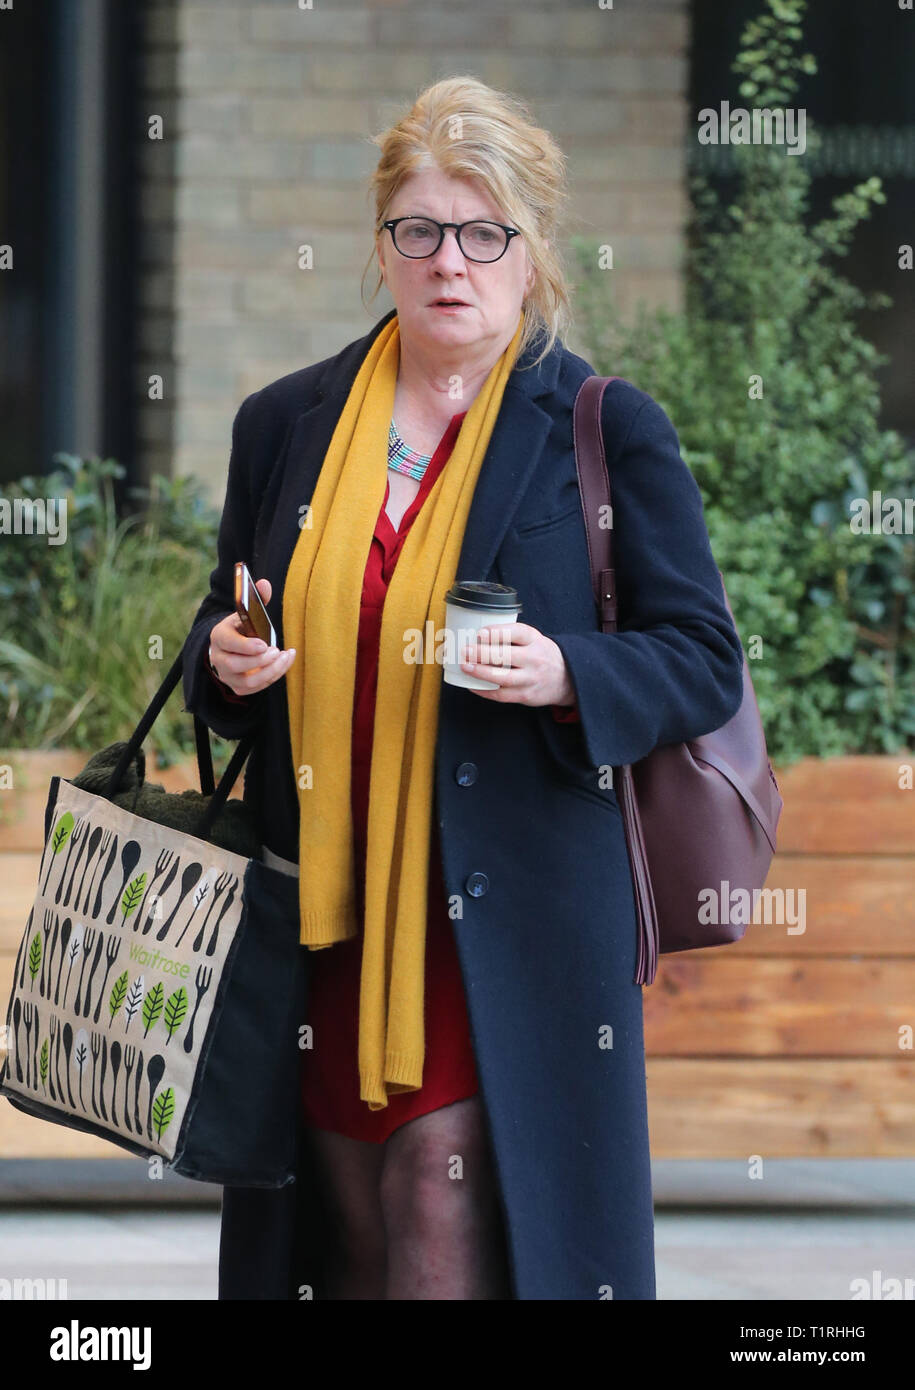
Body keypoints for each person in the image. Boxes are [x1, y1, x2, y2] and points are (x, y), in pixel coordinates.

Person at [183, 75, 745, 1301]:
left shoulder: (599, 425)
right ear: (380, 244)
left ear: (532, 248)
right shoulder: (288, 424)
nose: (452, 262)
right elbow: (223, 635)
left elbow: (702, 656)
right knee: (343, 1235)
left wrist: (565, 672)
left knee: (437, 1204)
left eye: (485, 232)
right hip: (322, 909)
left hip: (507, 921)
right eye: (421, 230)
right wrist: (228, 666)